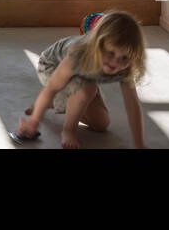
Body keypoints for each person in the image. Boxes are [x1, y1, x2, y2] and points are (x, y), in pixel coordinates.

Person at [15, 11, 148, 149]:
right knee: (87, 89)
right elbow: (52, 88)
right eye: (110, 53)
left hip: (86, 75)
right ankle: (68, 130)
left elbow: (132, 104)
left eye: (124, 58)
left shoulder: (126, 67)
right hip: (51, 66)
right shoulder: (79, 54)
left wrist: (139, 144)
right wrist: (33, 122)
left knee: (101, 124)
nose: (115, 62)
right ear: (98, 45)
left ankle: (58, 101)